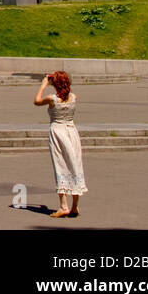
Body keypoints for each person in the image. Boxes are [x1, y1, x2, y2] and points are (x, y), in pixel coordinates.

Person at [35, 71, 86, 217]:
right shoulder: (74, 97)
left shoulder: (52, 99)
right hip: (71, 131)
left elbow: (36, 101)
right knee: (75, 165)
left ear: (55, 84)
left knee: (61, 165)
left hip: (58, 131)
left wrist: (43, 85)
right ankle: (75, 206)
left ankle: (64, 206)